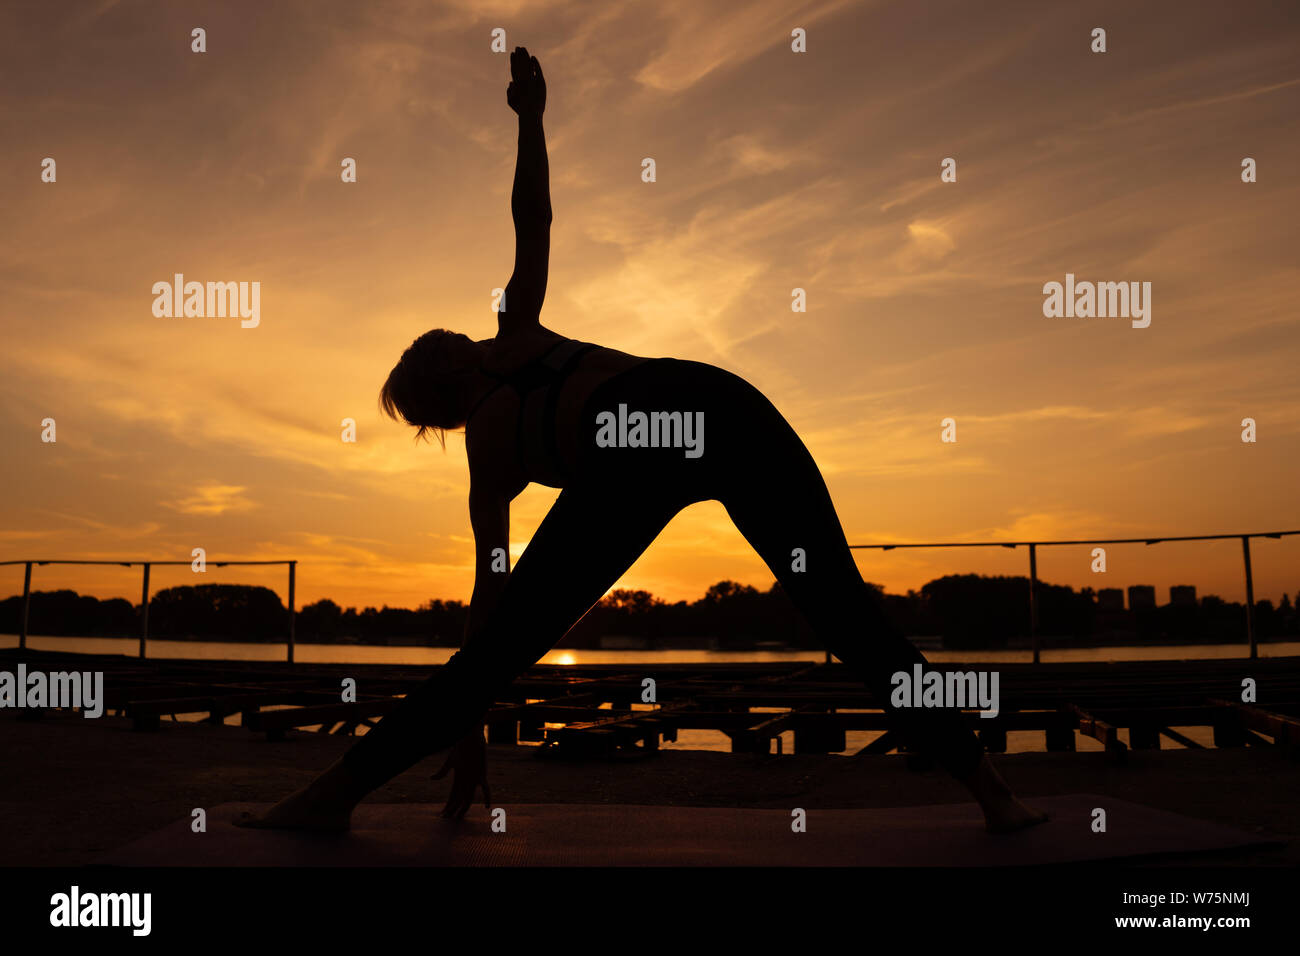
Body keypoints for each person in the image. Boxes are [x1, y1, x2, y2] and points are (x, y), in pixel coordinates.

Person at [239, 47, 1047, 835]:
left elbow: (486, 623)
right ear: (444, 368)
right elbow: (534, 220)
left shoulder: (497, 426)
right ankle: (995, 796)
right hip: (721, 406)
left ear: (436, 411)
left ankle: (330, 797)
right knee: (851, 622)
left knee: (495, 655)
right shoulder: (513, 340)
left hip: (647, 436)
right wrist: (531, 120)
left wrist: (471, 721)